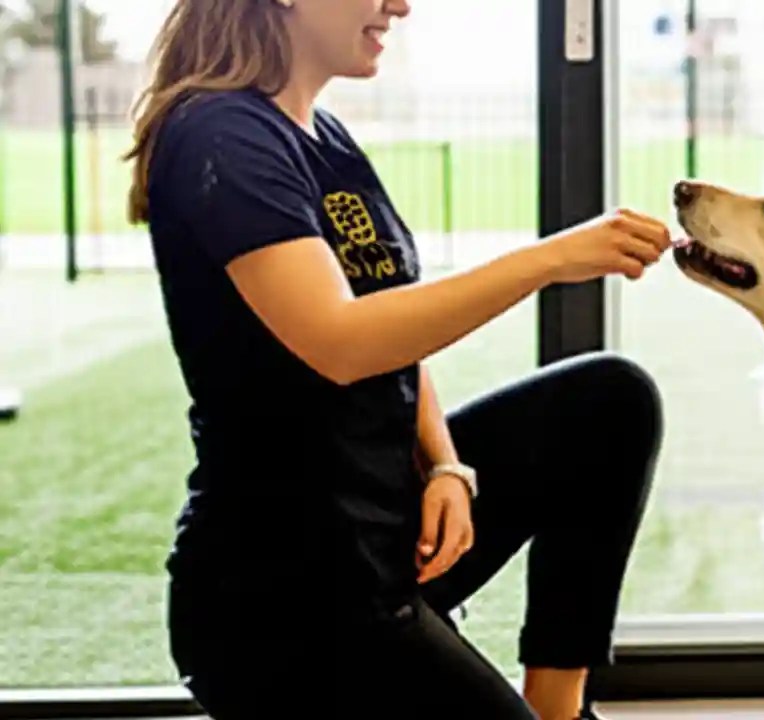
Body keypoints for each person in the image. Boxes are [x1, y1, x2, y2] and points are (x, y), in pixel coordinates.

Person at [124, 1, 669, 718]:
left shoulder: (325, 137)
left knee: (608, 403)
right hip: (286, 600)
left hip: (382, 532)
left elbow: (394, 328)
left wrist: (444, 464)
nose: (400, 4)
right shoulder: (220, 134)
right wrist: (549, 259)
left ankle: (560, 708)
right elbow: (341, 342)